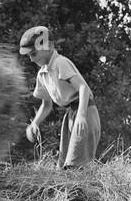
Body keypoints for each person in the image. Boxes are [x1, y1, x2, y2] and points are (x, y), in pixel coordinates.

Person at [20, 25, 101, 169]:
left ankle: (82, 190)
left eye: (33, 54)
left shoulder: (60, 63)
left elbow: (84, 88)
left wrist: (81, 116)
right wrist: (35, 123)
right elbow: (46, 105)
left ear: (49, 45)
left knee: (76, 166)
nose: (31, 59)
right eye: (29, 56)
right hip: (70, 115)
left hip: (84, 111)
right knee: (63, 166)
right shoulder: (42, 74)